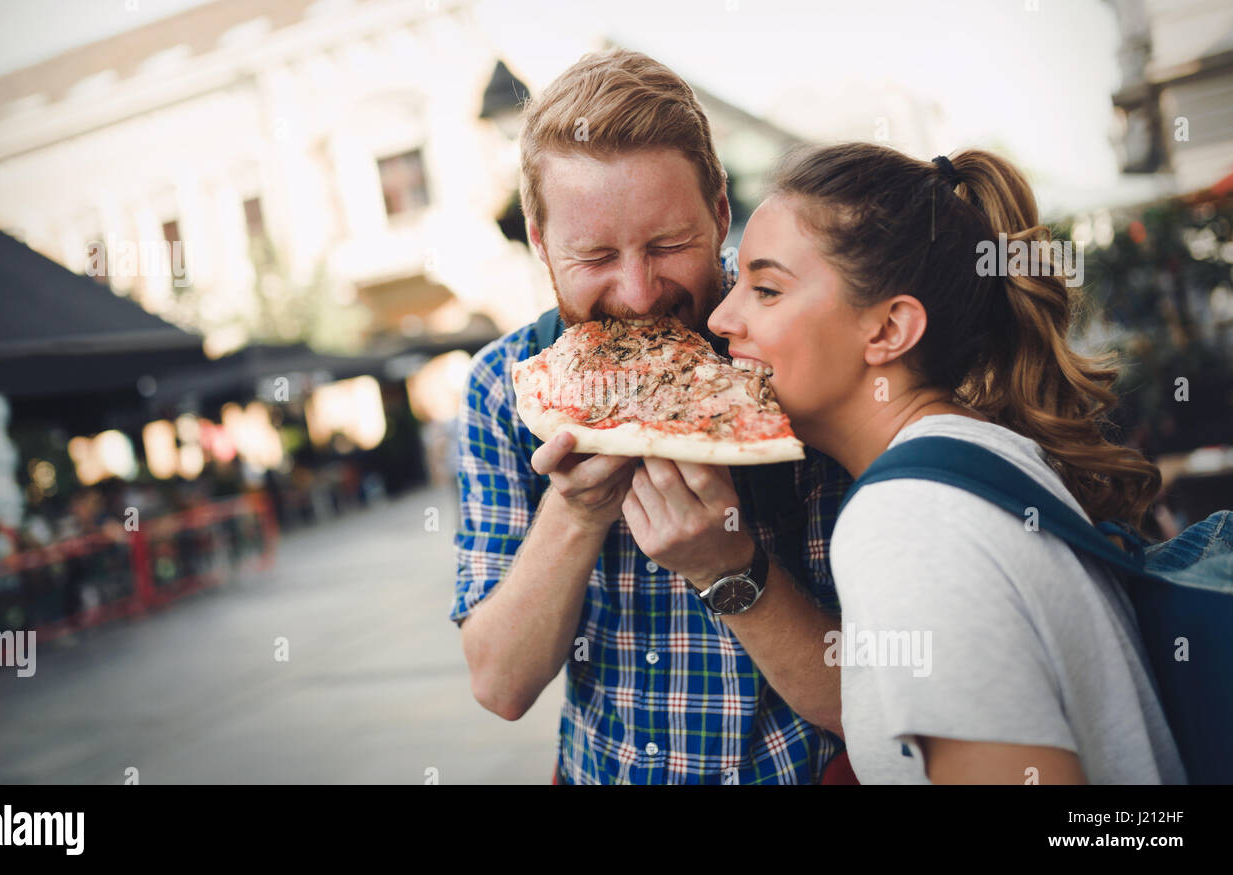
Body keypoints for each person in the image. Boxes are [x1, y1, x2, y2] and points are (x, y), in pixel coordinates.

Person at [685, 141, 1186, 783]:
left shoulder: (908, 522)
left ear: (890, 330)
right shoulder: (979, 455)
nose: (722, 317)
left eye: (766, 289)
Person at [451, 47, 853, 785]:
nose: (637, 294)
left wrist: (730, 568)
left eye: (669, 245)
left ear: (721, 212)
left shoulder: (798, 348)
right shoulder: (501, 387)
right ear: (541, 243)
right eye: (595, 255)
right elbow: (500, 685)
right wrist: (574, 512)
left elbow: (866, 701)